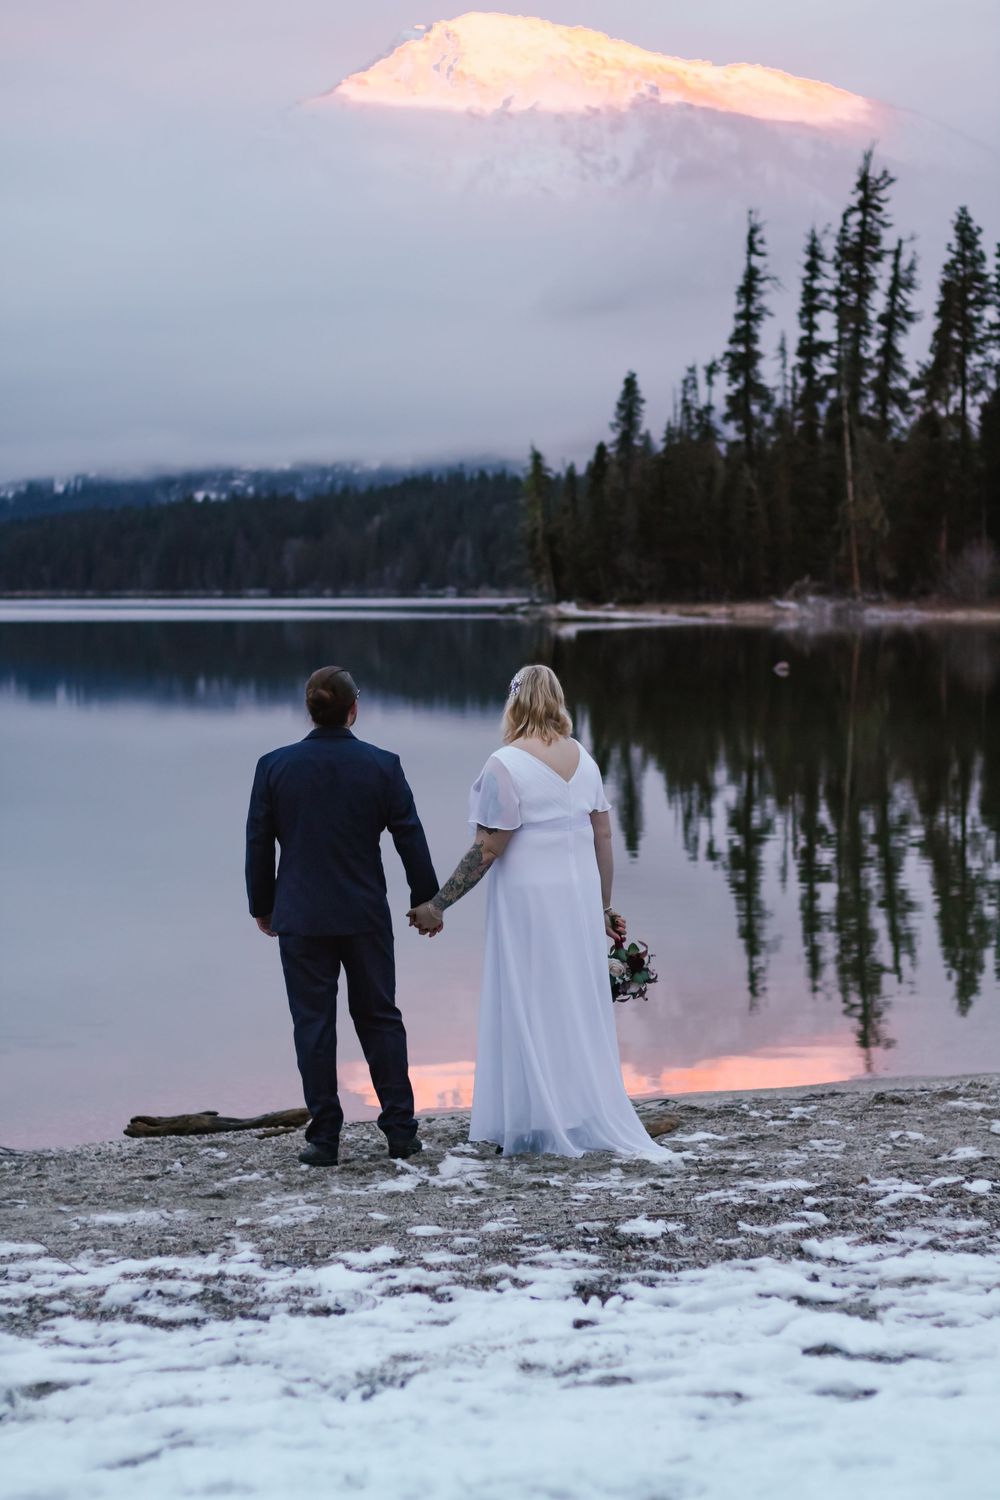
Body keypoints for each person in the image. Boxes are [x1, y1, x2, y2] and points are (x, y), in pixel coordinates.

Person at [408, 663, 666, 1160]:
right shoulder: (583, 759)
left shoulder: (505, 763)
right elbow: (604, 836)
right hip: (575, 896)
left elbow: (488, 847)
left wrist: (437, 905)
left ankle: (533, 1118)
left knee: (529, 997)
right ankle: (572, 1108)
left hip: (529, 900)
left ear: (515, 703)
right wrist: (603, 906)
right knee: (570, 999)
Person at [246, 665, 439, 1167]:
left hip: (302, 914)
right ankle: (400, 1131)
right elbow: (409, 834)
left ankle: (324, 1137)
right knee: (379, 1017)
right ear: (353, 709)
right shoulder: (382, 765)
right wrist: (427, 899)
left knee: (313, 1023)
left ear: (311, 710)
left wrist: (262, 906)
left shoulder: (274, 766)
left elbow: (258, 842)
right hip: (363, 913)